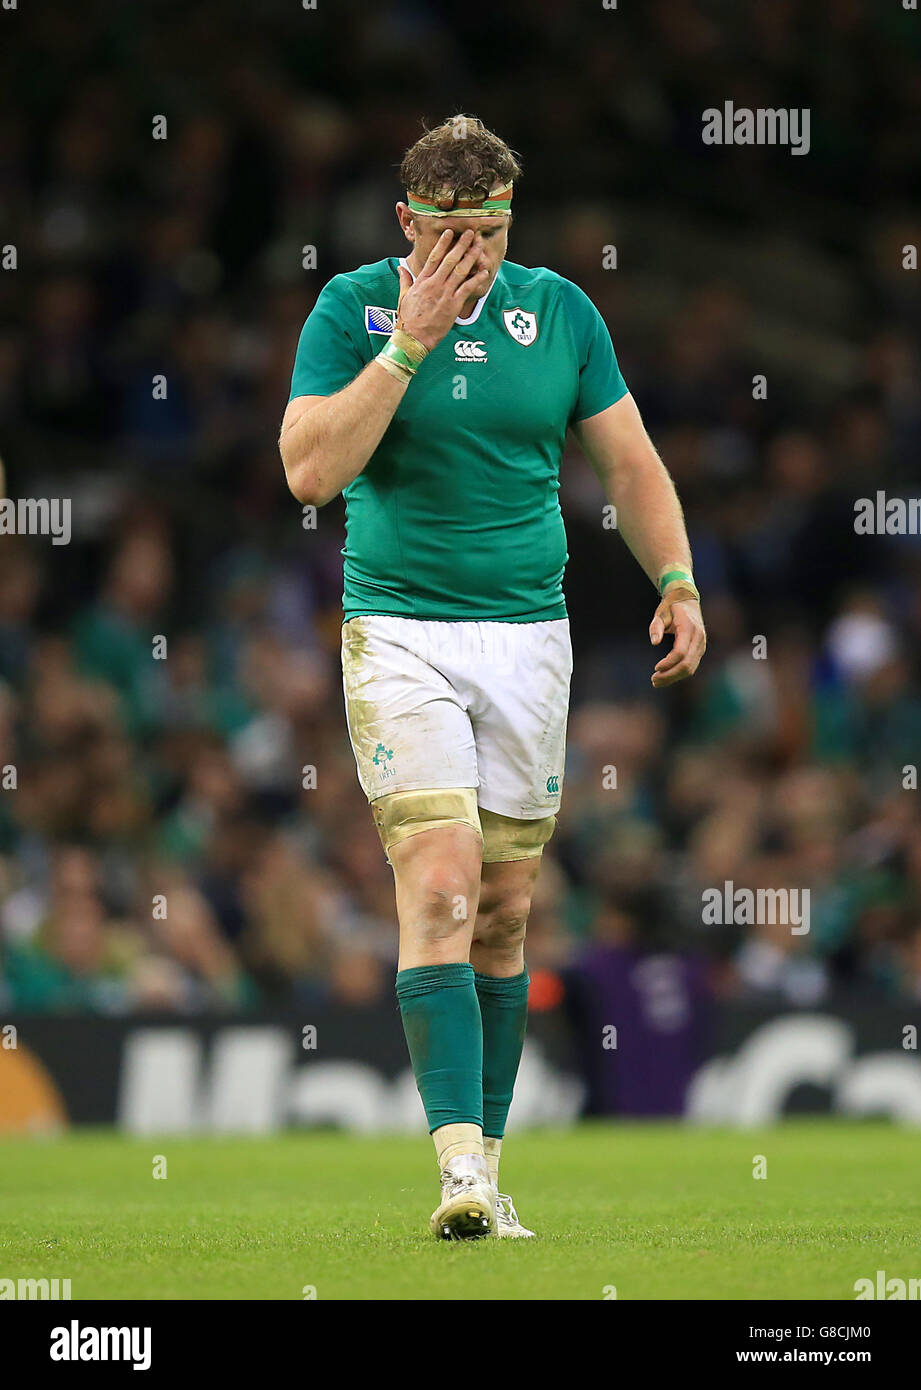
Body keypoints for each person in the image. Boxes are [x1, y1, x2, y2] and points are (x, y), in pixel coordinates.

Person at [280, 115, 706, 1239]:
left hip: (529, 638)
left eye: (497, 231)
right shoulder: (351, 309)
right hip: (400, 631)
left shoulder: (560, 310)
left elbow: (630, 460)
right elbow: (310, 472)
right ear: (411, 224)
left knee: (508, 915)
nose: (479, 254)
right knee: (441, 882)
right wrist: (408, 342)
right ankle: (458, 1172)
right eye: (458, 235)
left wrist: (677, 577)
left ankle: (494, 1168)